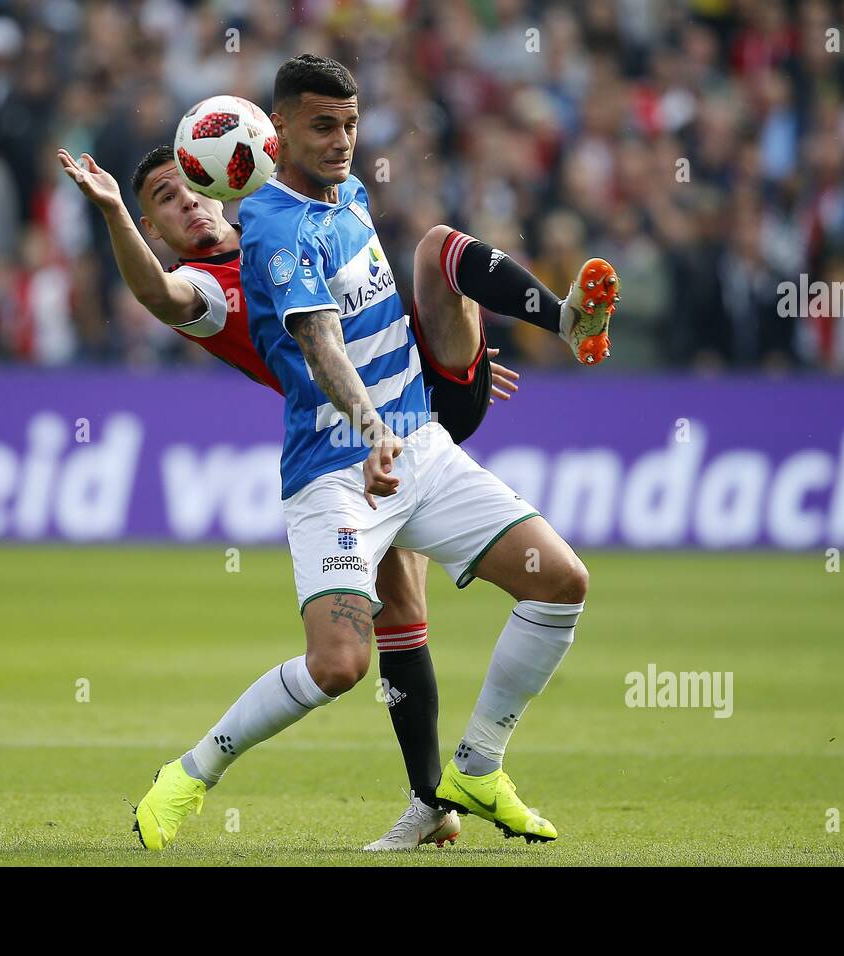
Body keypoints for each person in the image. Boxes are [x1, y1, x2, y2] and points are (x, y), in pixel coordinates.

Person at [127, 53, 620, 850]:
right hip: (338, 471)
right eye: (324, 126)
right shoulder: (274, 231)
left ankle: (476, 767)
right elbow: (321, 345)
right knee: (337, 666)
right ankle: (190, 772)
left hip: (420, 446)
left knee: (562, 582)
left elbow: (369, 316)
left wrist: (432, 372)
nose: (343, 141)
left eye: (351, 125)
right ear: (275, 130)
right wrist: (373, 427)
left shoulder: (349, 195)